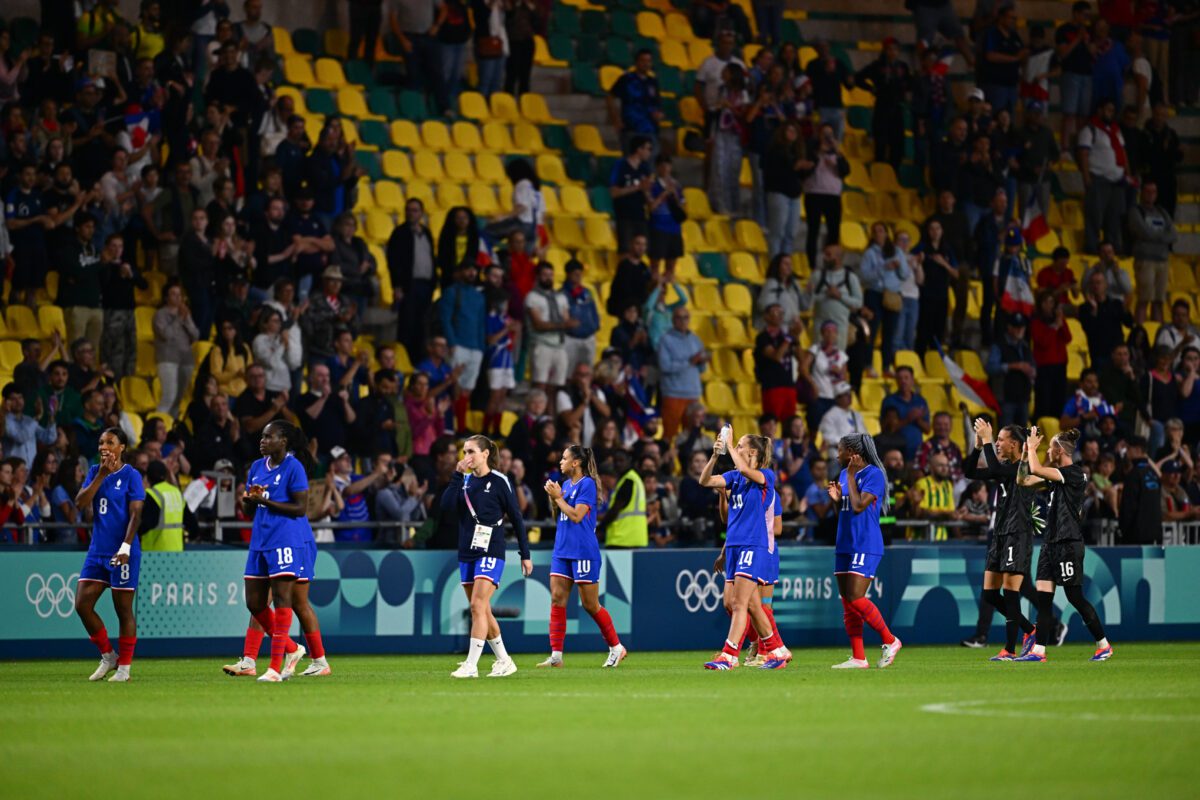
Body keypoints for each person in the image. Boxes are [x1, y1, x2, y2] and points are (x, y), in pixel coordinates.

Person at [1016, 427, 1114, 662]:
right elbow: (1023, 479)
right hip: (1050, 543)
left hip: (1068, 543)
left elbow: (1037, 469)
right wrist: (1025, 455)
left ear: (1059, 450)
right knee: (1043, 600)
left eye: (1050, 448)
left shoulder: (1074, 474)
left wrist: (1032, 448)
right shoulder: (1054, 477)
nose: (1048, 451)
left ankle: (1103, 645)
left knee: (1074, 597)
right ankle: (1039, 651)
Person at [238, 420, 326, 682]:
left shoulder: (293, 467)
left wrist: (266, 501)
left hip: (289, 540)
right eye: (262, 437)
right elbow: (251, 509)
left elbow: (300, 508)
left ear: (283, 441)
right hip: (260, 540)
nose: (262, 441)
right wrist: (247, 502)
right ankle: (291, 649)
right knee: (255, 603)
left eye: (268, 437)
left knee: (290, 600)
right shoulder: (256, 467)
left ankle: (275, 666)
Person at [441, 435, 531, 678]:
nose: (466, 456)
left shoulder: (500, 481)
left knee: (477, 605)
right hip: (466, 551)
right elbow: (445, 508)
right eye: (464, 452)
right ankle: (504, 660)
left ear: (485, 454)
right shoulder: (464, 481)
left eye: (471, 451)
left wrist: (525, 553)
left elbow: (516, 517)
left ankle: (471, 665)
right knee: (483, 610)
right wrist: (457, 475)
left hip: (491, 549)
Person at [699, 430, 788, 669]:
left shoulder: (765, 476)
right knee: (743, 604)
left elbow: (748, 471)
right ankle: (777, 651)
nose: (736, 448)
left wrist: (729, 446)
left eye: (740, 446)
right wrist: (715, 456)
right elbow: (705, 481)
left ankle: (729, 655)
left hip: (753, 545)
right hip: (734, 546)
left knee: (740, 602)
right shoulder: (734, 477)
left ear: (752, 452)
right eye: (735, 445)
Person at [537, 445, 628, 669]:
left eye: (564, 458)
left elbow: (577, 516)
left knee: (590, 604)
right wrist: (554, 499)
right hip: (562, 550)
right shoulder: (567, 485)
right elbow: (561, 516)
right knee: (557, 599)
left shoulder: (587, 484)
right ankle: (556, 656)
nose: (561, 461)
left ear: (576, 463)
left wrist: (558, 498)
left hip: (583, 551)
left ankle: (616, 647)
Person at [73, 428, 145, 682]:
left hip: (122, 551)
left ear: (122, 447)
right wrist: (102, 474)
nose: (103, 446)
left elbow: (136, 514)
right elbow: (80, 503)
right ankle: (108, 656)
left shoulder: (131, 475)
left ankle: (124, 668)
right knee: (82, 605)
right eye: (101, 442)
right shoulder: (95, 471)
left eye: (110, 442)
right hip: (97, 551)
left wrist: (126, 547)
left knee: (123, 609)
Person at [826, 433, 902, 669]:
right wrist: (836, 500)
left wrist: (850, 476)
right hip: (844, 543)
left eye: (840, 450)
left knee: (856, 597)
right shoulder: (843, 474)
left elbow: (859, 506)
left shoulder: (873, 475)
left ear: (851, 452)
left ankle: (891, 640)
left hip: (865, 543)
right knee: (848, 602)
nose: (837, 454)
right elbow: (847, 510)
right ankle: (859, 657)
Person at [963, 419, 1037, 660]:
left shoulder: (1025, 467)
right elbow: (970, 472)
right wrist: (978, 446)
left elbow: (994, 469)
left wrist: (986, 439)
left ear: (1014, 444)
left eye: (1001, 440)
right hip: (1000, 535)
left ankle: (1010, 649)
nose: (997, 443)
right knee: (990, 594)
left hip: (1017, 534)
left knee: (1011, 592)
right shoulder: (1004, 467)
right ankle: (1030, 630)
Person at [387, 199, 437, 360]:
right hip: (409, 285)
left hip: (426, 285)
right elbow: (393, 261)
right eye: (408, 210)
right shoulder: (399, 233)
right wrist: (397, 286)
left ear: (421, 213)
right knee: (407, 324)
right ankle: (404, 358)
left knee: (422, 324)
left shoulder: (426, 233)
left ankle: (419, 358)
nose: (411, 213)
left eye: (415, 210)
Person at [1078, 98, 1130, 254]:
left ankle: (1113, 248)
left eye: (1112, 111)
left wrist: (1127, 173)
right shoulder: (1089, 130)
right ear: (1099, 110)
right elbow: (1083, 154)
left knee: (1115, 217)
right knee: (1095, 215)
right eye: (1108, 110)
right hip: (1099, 178)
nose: (1110, 113)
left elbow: (1123, 152)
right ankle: (1092, 247)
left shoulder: (1115, 130)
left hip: (1117, 181)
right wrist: (1086, 177)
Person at [1127, 181, 1177, 324]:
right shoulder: (1136, 211)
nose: (1150, 195)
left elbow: (1173, 234)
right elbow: (1143, 232)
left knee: (1159, 300)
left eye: (1153, 192)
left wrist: (1155, 236)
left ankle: (1158, 330)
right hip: (1145, 260)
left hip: (1162, 260)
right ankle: (1140, 329)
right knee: (1144, 299)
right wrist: (1162, 237)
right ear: (1142, 193)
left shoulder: (1162, 212)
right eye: (1148, 191)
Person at [657, 307, 709, 441]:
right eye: (679, 318)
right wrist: (690, 362)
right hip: (673, 393)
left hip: (693, 393)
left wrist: (702, 362)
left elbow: (701, 369)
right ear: (673, 320)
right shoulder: (665, 340)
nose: (682, 321)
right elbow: (665, 366)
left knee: (692, 434)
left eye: (685, 317)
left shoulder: (695, 340)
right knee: (670, 433)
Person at [608, 49, 662, 158]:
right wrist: (615, 119)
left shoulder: (653, 82)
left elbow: (657, 103)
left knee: (650, 163)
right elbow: (610, 97)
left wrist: (659, 114)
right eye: (643, 60)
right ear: (636, 62)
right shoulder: (626, 79)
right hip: (631, 127)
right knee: (631, 162)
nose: (646, 64)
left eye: (648, 61)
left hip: (650, 129)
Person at [987, 313, 1036, 426]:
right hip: (1006, 398)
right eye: (1016, 327)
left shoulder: (1025, 346)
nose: (1019, 330)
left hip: (1023, 397)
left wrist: (1032, 371)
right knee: (1006, 432)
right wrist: (1013, 366)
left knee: (1022, 432)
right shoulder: (999, 345)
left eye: (1022, 327)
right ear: (1009, 327)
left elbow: (1032, 364)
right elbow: (991, 368)